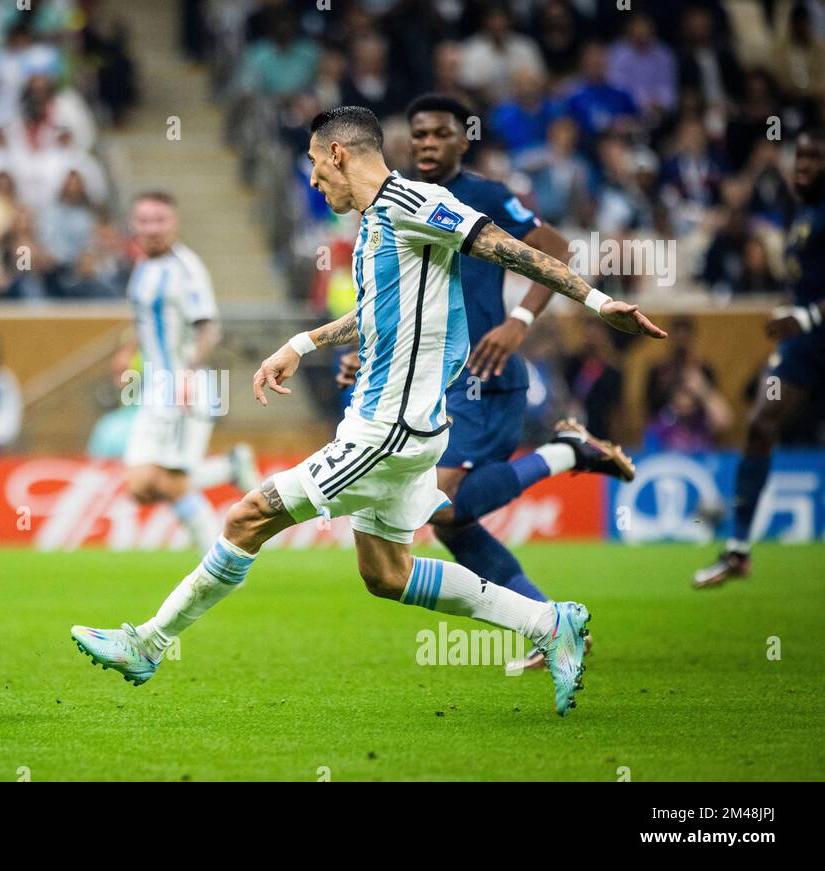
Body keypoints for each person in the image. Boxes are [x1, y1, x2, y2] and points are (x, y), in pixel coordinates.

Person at [72, 107, 666, 716]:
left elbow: (505, 247)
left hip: (391, 430)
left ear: (336, 154)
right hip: (396, 426)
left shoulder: (413, 203)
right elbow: (375, 316)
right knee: (387, 573)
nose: (310, 180)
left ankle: (148, 642)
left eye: (311, 163)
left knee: (250, 516)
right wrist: (300, 346)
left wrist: (596, 301)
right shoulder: (375, 225)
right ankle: (549, 622)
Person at [337, 94, 635, 671]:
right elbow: (391, 298)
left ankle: (564, 453)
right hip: (432, 379)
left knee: (441, 508)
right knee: (453, 523)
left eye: (440, 134)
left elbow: (557, 250)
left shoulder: (483, 197)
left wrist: (518, 322)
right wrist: (367, 355)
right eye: (418, 133)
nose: (427, 143)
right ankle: (553, 628)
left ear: (462, 140)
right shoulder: (396, 201)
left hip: (484, 375)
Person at [695, 129, 825, 588]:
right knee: (760, 422)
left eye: (814, 160)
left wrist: (806, 317)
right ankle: (739, 549)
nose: (803, 167)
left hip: (811, 331)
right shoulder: (802, 211)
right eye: (799, 159)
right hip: (807, 345)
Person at [116, 191, 258, 551]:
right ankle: (229, 466)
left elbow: (209, 327)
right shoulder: (143, 267)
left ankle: (217, 560)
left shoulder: (187, 268)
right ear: (135, 224)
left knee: (170, 482)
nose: (151, 228)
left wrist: (186, 374)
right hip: (153, 385)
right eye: (144, 220)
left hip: (184, 384)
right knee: (140, 485)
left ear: (174, 223)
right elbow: (145, 318)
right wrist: (126, 351)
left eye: (159, 220)